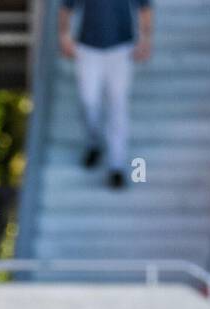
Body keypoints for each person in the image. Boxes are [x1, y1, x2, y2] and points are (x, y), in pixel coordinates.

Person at [58, 0, 153, 190]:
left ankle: (116, 166)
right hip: (87, 47)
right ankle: (94, 143)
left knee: (118, 105)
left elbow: (144, 7)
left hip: (121, 47)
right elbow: (66, 6)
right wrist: (64, 36)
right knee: (88, 100)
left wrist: (145, 39)